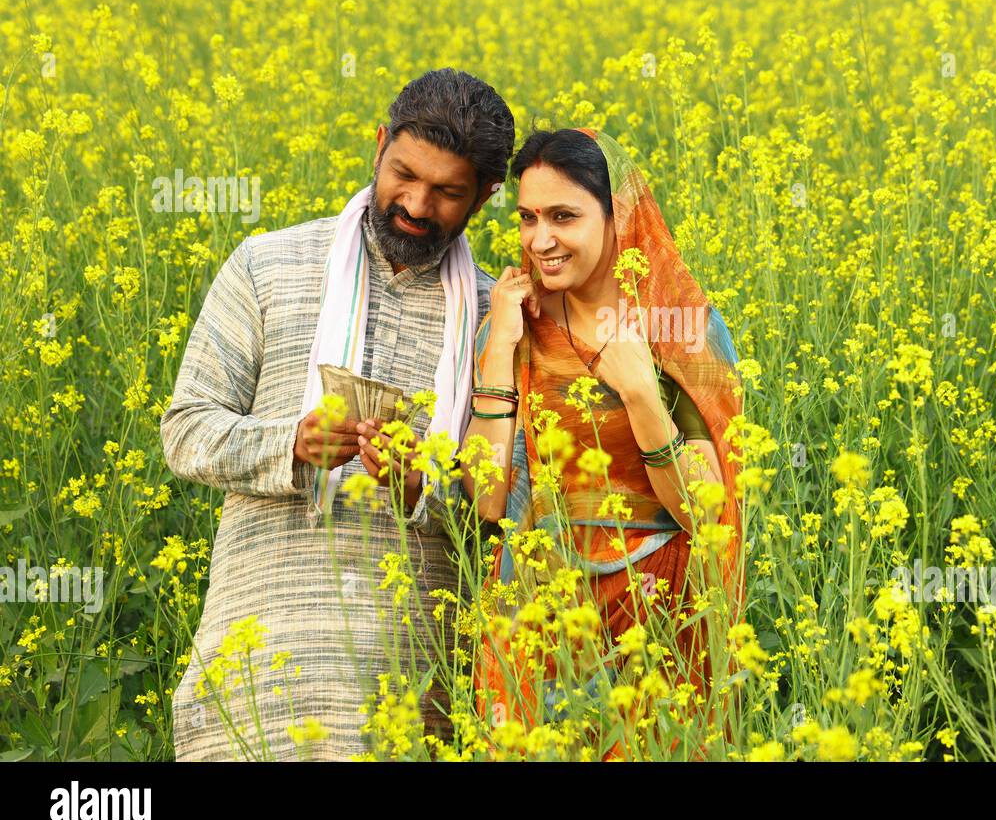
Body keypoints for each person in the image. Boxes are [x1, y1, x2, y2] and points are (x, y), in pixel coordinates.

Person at [161, 68, 513, 760]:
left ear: (487, 196)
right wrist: (291, 444)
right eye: (404, 174)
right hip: (256, 673)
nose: (416, 203)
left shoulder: (498, 320)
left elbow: (510, 508)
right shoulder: (267, 265)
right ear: (379, 144)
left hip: (415, 693)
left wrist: (422, 487)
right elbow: (186, 430)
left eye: (447, 193)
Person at [461, 128, 745, 752]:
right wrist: (500, 351)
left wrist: (643, 395)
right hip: (539, 618)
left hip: (657, 615)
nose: (541, 240)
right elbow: (487, 502)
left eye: (564, 217)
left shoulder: (681, 327)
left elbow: (707, 511)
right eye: (529, 217)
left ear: (620, 218)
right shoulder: (511, 326)